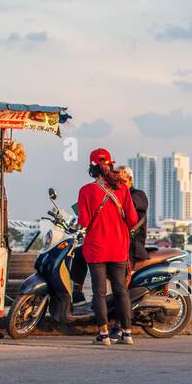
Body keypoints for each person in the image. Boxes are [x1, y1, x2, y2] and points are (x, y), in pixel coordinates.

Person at [76, 148, 138, 345]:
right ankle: (127, 333)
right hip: (119, 247)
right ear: (111, 165)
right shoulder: (123, 189)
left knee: (99, 292)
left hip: (96, 248)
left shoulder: (86, 191)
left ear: (92, 168)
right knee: (121, 290)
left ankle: (103, 334)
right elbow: (133, 219)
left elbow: (84, 222)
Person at [71, 165, 149, 304]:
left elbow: (130, 214)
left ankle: (118, 317)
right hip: (114, 242)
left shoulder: (137, 194)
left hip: (132, 245)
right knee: (79, 252)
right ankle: (77, 292)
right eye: (114, 174)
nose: (116, 176)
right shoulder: (115, 190)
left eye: (120, 174)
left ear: (129, 179)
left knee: (118, 286)